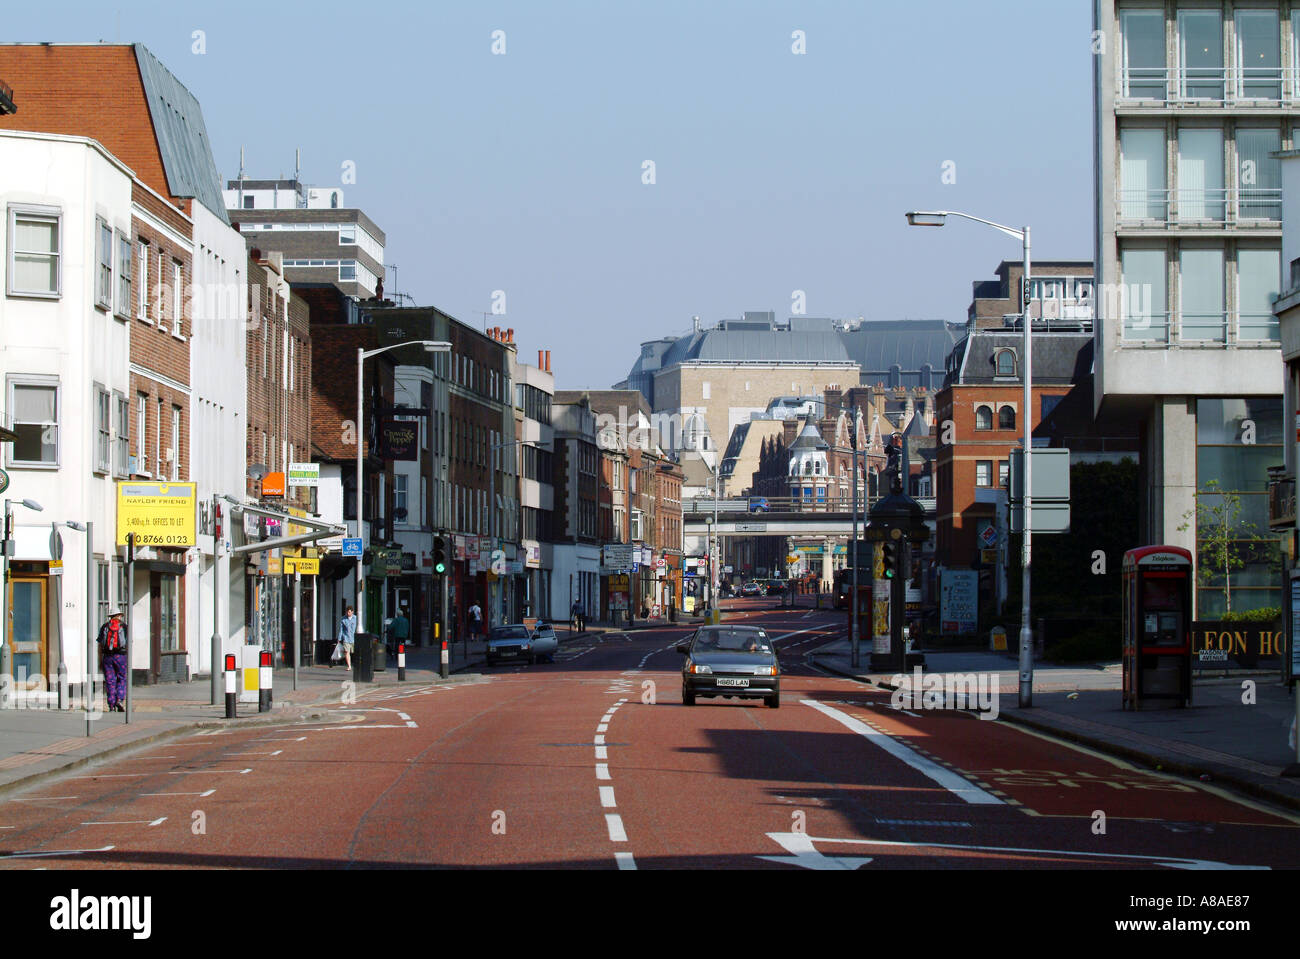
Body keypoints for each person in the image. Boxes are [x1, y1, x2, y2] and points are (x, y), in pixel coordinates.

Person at [96, 610, 129, 712]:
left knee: (110, 680)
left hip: (107, 657)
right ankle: (119, 699)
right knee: (122, 678)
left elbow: (100, 645)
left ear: (110, 616)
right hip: (121, 656)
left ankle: (111, 704)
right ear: (119, 615)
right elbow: (128, 643)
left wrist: (100, 660)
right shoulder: (124, 626)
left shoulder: (104, 626)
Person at [337, 605, 357, 669]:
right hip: (346, 638)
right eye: (347, 612)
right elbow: (341, 629)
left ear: (352, 612)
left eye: (349, 612)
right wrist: (339, 638)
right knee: (346, 652)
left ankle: (355, 664)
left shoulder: (356, 618)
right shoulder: (343, 619)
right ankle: (349, 666)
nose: (348, 613)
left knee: (354, 652)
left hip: (353, 638)